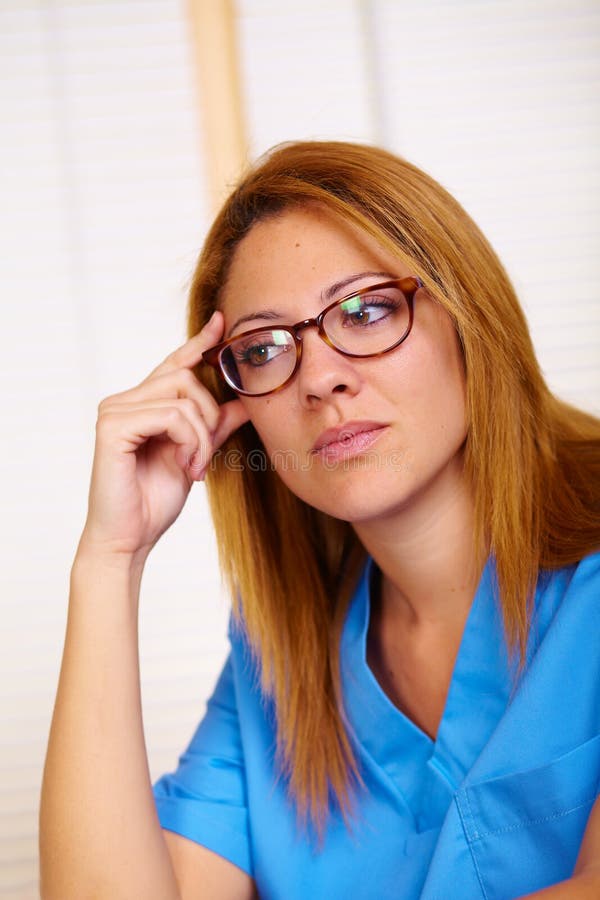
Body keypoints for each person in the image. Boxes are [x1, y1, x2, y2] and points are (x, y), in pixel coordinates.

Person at [40, 141, 600, 899]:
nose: (323, 377)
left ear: (468, 314)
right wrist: (110, 559)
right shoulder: (277, 663)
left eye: (367, 310)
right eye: (265, 349)